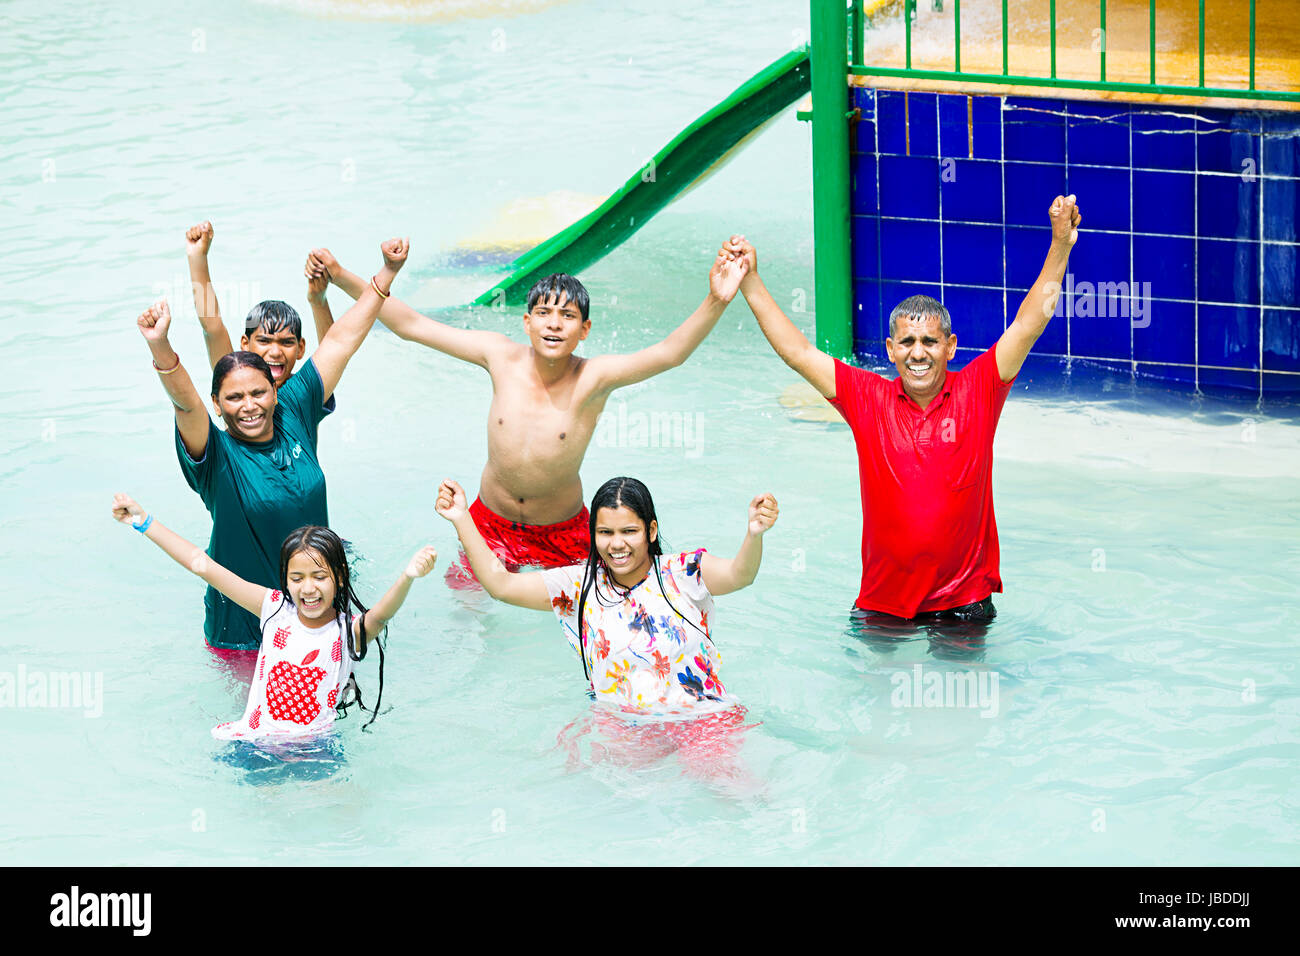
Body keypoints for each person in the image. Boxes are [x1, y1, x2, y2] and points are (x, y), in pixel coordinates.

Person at [728, 195, 1082, 639]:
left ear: (950, 347)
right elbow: (798, 353)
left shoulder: (979, 390)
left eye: (930, 342)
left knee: (963, 705)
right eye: (908, 341)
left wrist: (1060, 245)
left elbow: (1029, 323)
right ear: (891, 349)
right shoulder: (867, 398)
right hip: (884, 602)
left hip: (963, 602)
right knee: (873, 702)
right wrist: (751, 281)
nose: (919, 352)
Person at [306, 244, 749, 587]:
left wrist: (716, 299)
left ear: (585, 329)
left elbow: (670, 354)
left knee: (578, 619)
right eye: (544, 313)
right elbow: (411, 325)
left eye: (567, 316)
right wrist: (342, 274)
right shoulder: (499, 356)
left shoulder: (594, 378)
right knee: (471, 612)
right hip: (489, 521)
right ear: (527, 322)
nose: (554, 324)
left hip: (563, 530)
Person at [137, 238, 409, 651]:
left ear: (276, 389)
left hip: (318, 603)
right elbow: (187, 399)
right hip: (246, 628)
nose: (249, 405)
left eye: (259, 393)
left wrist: (386, 272)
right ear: (218, 402)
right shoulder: (216, 454)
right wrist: (160, 343)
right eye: (233, 398)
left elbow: (342, 340)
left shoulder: (295, 405)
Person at [434, 475, 778, 717]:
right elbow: (500, 585)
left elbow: (739, 575)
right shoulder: (578, 586)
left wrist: (754, 534)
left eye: (629, 531)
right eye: (605, 532)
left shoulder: (683, 572)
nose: (617, 544)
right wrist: (461, 518)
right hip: (621, 725)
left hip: (701, 716)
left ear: (651, 530)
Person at [110, 493, 436, 737]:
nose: (308, 588)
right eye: (297, 578)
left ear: (339, 576)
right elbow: (204, 566)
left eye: (319, 576)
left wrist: (407, 577)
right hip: (257, 741)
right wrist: (144, 522)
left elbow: (381, 615)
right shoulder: (274, 608)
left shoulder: (348, 632)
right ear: (285, 580)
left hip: (315, 749)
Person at [184, 220, 336, 389]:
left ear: (300, 348)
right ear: (245, 344)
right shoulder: (235, 380)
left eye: (286, 342)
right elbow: (212, 327)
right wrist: (198, 257)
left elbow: (333, 352)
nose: (275, 352)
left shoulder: (304, 392)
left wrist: (318, 301)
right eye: (264, 341)